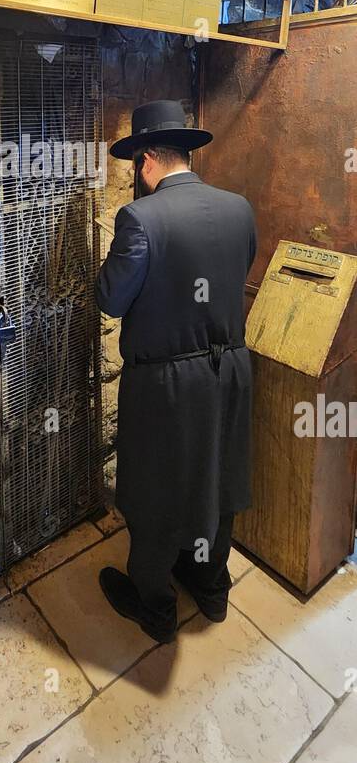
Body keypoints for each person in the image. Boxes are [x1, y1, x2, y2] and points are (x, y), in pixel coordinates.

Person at [95, 100, 257, 644]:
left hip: (167, 383)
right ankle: (211, 587)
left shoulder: (139, 218)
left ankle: (154, 603)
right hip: (230, 370)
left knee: (155, 491)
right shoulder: (239, 207)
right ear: (185, 153)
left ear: (144, 161)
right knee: (218, 477)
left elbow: (111, 300)